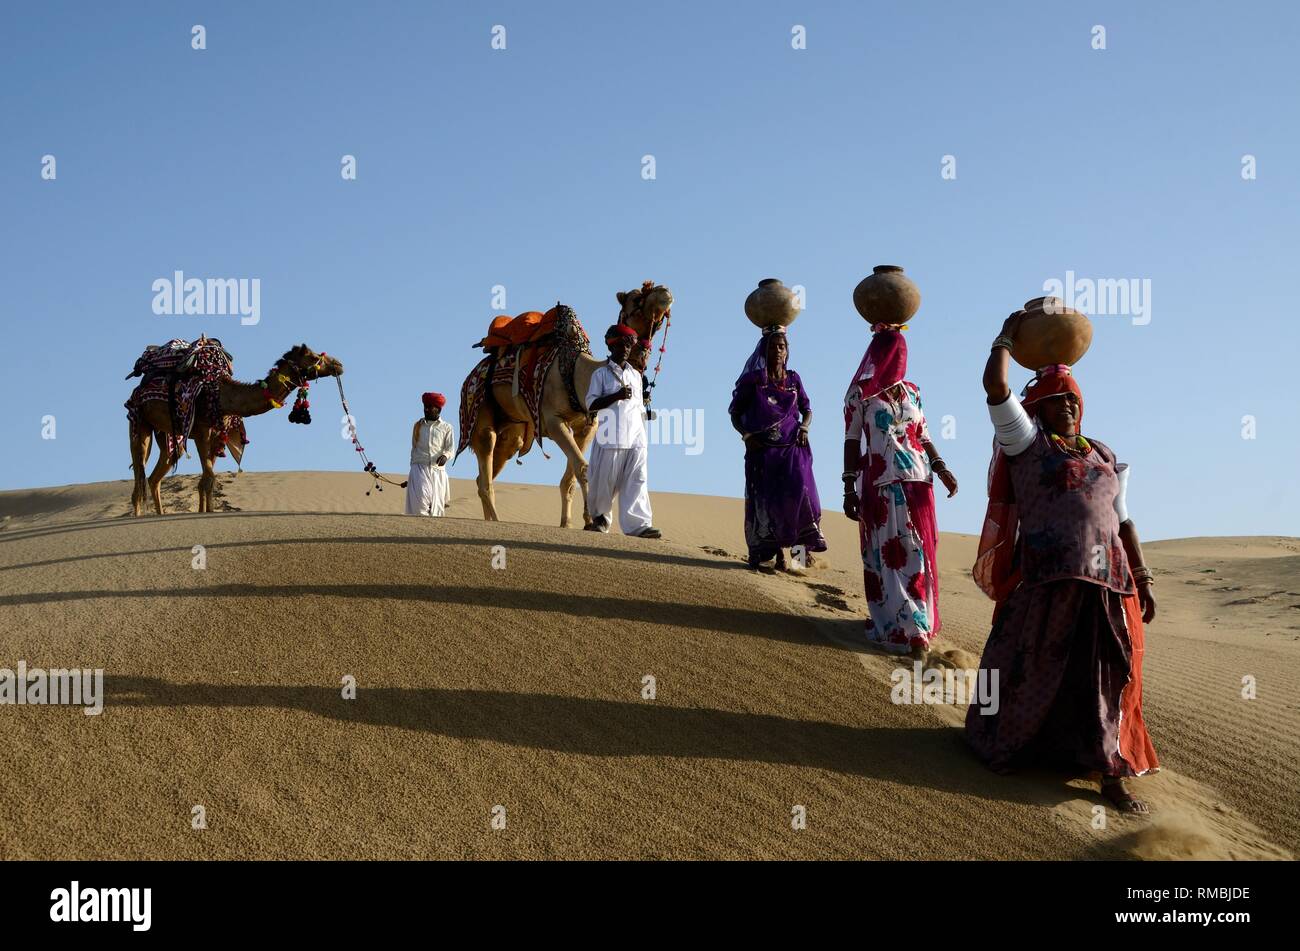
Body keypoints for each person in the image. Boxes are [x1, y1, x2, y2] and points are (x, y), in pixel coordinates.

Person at [966, 311, 1159, 813]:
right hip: (1045, 582)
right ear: (1038, 408)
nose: (1067, 405)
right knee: (1028, 670)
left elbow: (1124, 522)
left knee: (1104, 678)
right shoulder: (1027, 444)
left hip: (1108, 584)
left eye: (1072, 397)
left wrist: (1143, 576)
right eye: (1056, 400)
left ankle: (1109, 774)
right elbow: (995, 385)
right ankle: (1012, 745)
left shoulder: (1104, 455)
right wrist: (1006, 336)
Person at [843, 326, 958, 656]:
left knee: (918, 552)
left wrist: (941, 467)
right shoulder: (860, 395)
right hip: (881, 482)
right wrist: (848, 486)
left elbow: (924, 434)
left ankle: (918, 623)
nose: (900, 357)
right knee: (891, 554)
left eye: (903, 351)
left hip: (918, 482)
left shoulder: (912, 392)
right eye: (894, 351)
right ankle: (902, 626)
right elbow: (852, 440)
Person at [728, 325, 827, 569]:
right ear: (764, 350)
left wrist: (804, 428)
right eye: (773, 347)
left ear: (787, 350)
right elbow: (735, 412)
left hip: (793, 447)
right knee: (767, 500)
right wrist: (747, 436)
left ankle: (800, 559)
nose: (778, 351)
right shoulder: (754, 381)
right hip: (762, 451)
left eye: (782, 347)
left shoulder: (794, 379)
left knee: (801, 494)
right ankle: (774, 556)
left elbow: (807, 409)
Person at [584, 324, 661, 538]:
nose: (627, 349)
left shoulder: (636, 376)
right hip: (611, 436)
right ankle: (600, 519)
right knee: (604, 481)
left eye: (630, 345)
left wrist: (646, 413)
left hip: (636, 436)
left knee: (638, 479)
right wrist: (616, 396)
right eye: (624, 344)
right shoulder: (600, 374)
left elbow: (635, 406)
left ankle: (639, 526)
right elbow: (591, 404)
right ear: (612, 345)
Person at [405, 392, 455, 516]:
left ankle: (431, 532)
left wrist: (445, 456)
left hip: (437, 470)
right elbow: (414, 446)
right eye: (425, 406)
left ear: (438, 409)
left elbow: (450, 448)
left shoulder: (447, 427)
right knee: (421, 500)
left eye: (429, 407)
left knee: (436, 507)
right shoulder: (418, 426)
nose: (426, 409)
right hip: (419, 467)